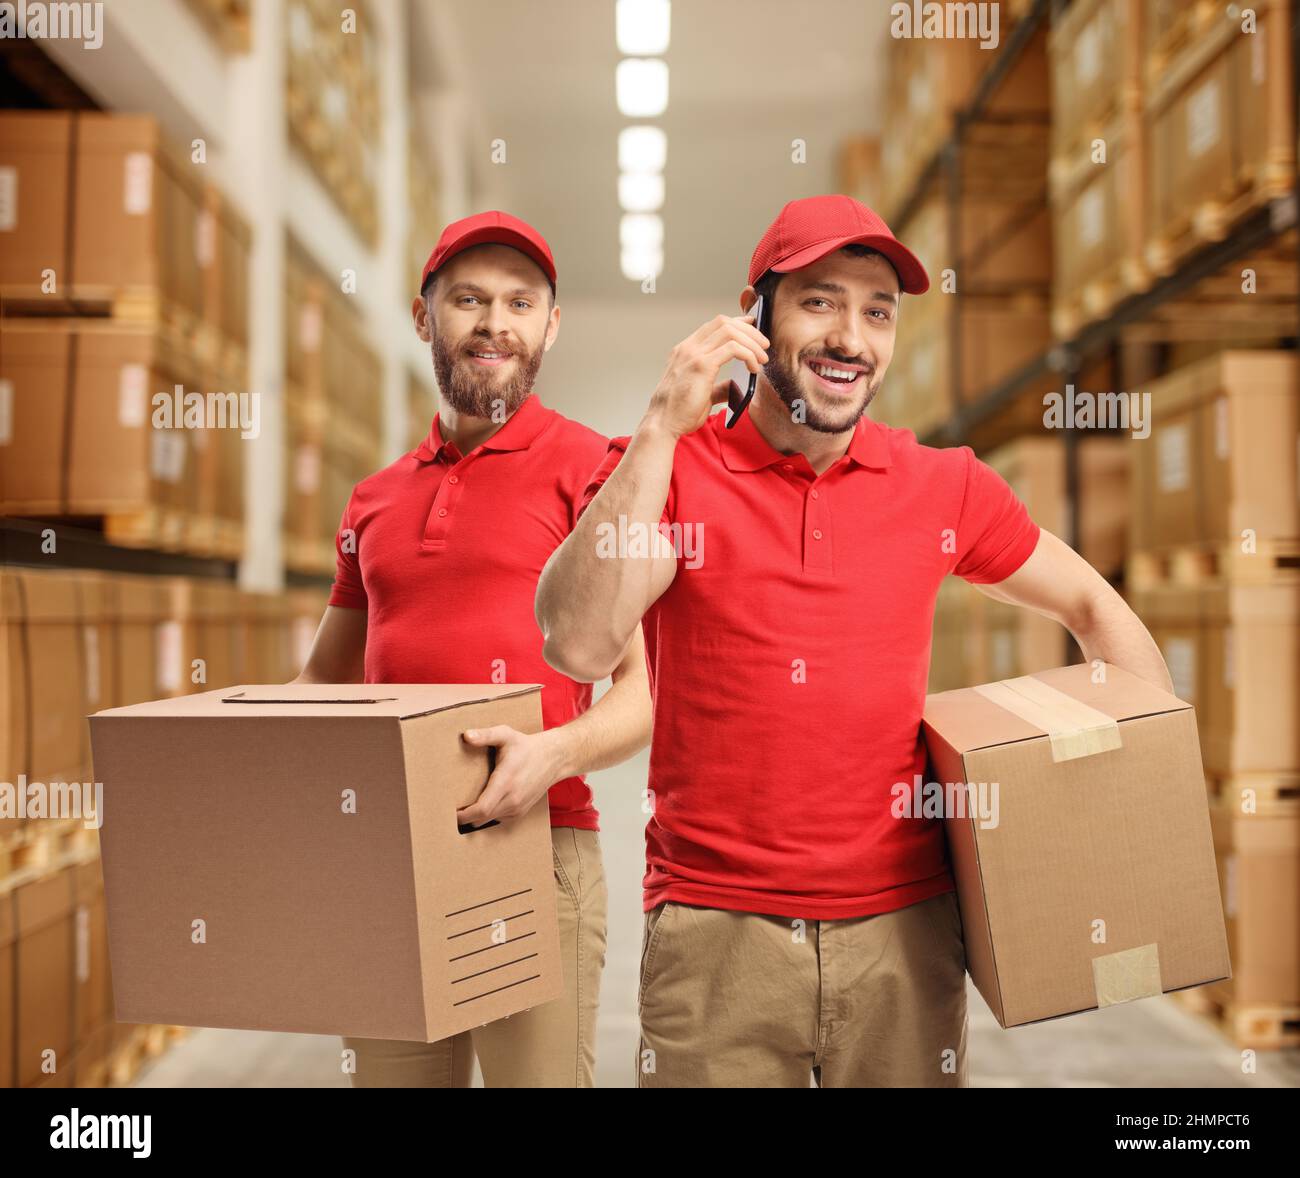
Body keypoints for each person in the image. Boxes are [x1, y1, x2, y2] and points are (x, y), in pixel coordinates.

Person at [535, 194, 1174, 1088]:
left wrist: (1144, 800)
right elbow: (578, 643)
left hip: (904, 938)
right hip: (718, 938)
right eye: (821, 301)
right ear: (754, 315)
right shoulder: (672, 473)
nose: (851, 338)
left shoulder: (940, 484)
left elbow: (1093, 608)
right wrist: (657, 428)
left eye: (878, 312)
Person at [295, 211, 652, 1087]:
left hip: (535, 847)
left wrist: (553, 756)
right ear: (425, 318)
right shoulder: (372, 501)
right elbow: (321, 682)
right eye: (468, 299)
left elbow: (648, 690)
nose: (495, 321)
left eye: (519, 302)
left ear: (549, 326)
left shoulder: (594, 472)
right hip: (388, 860)